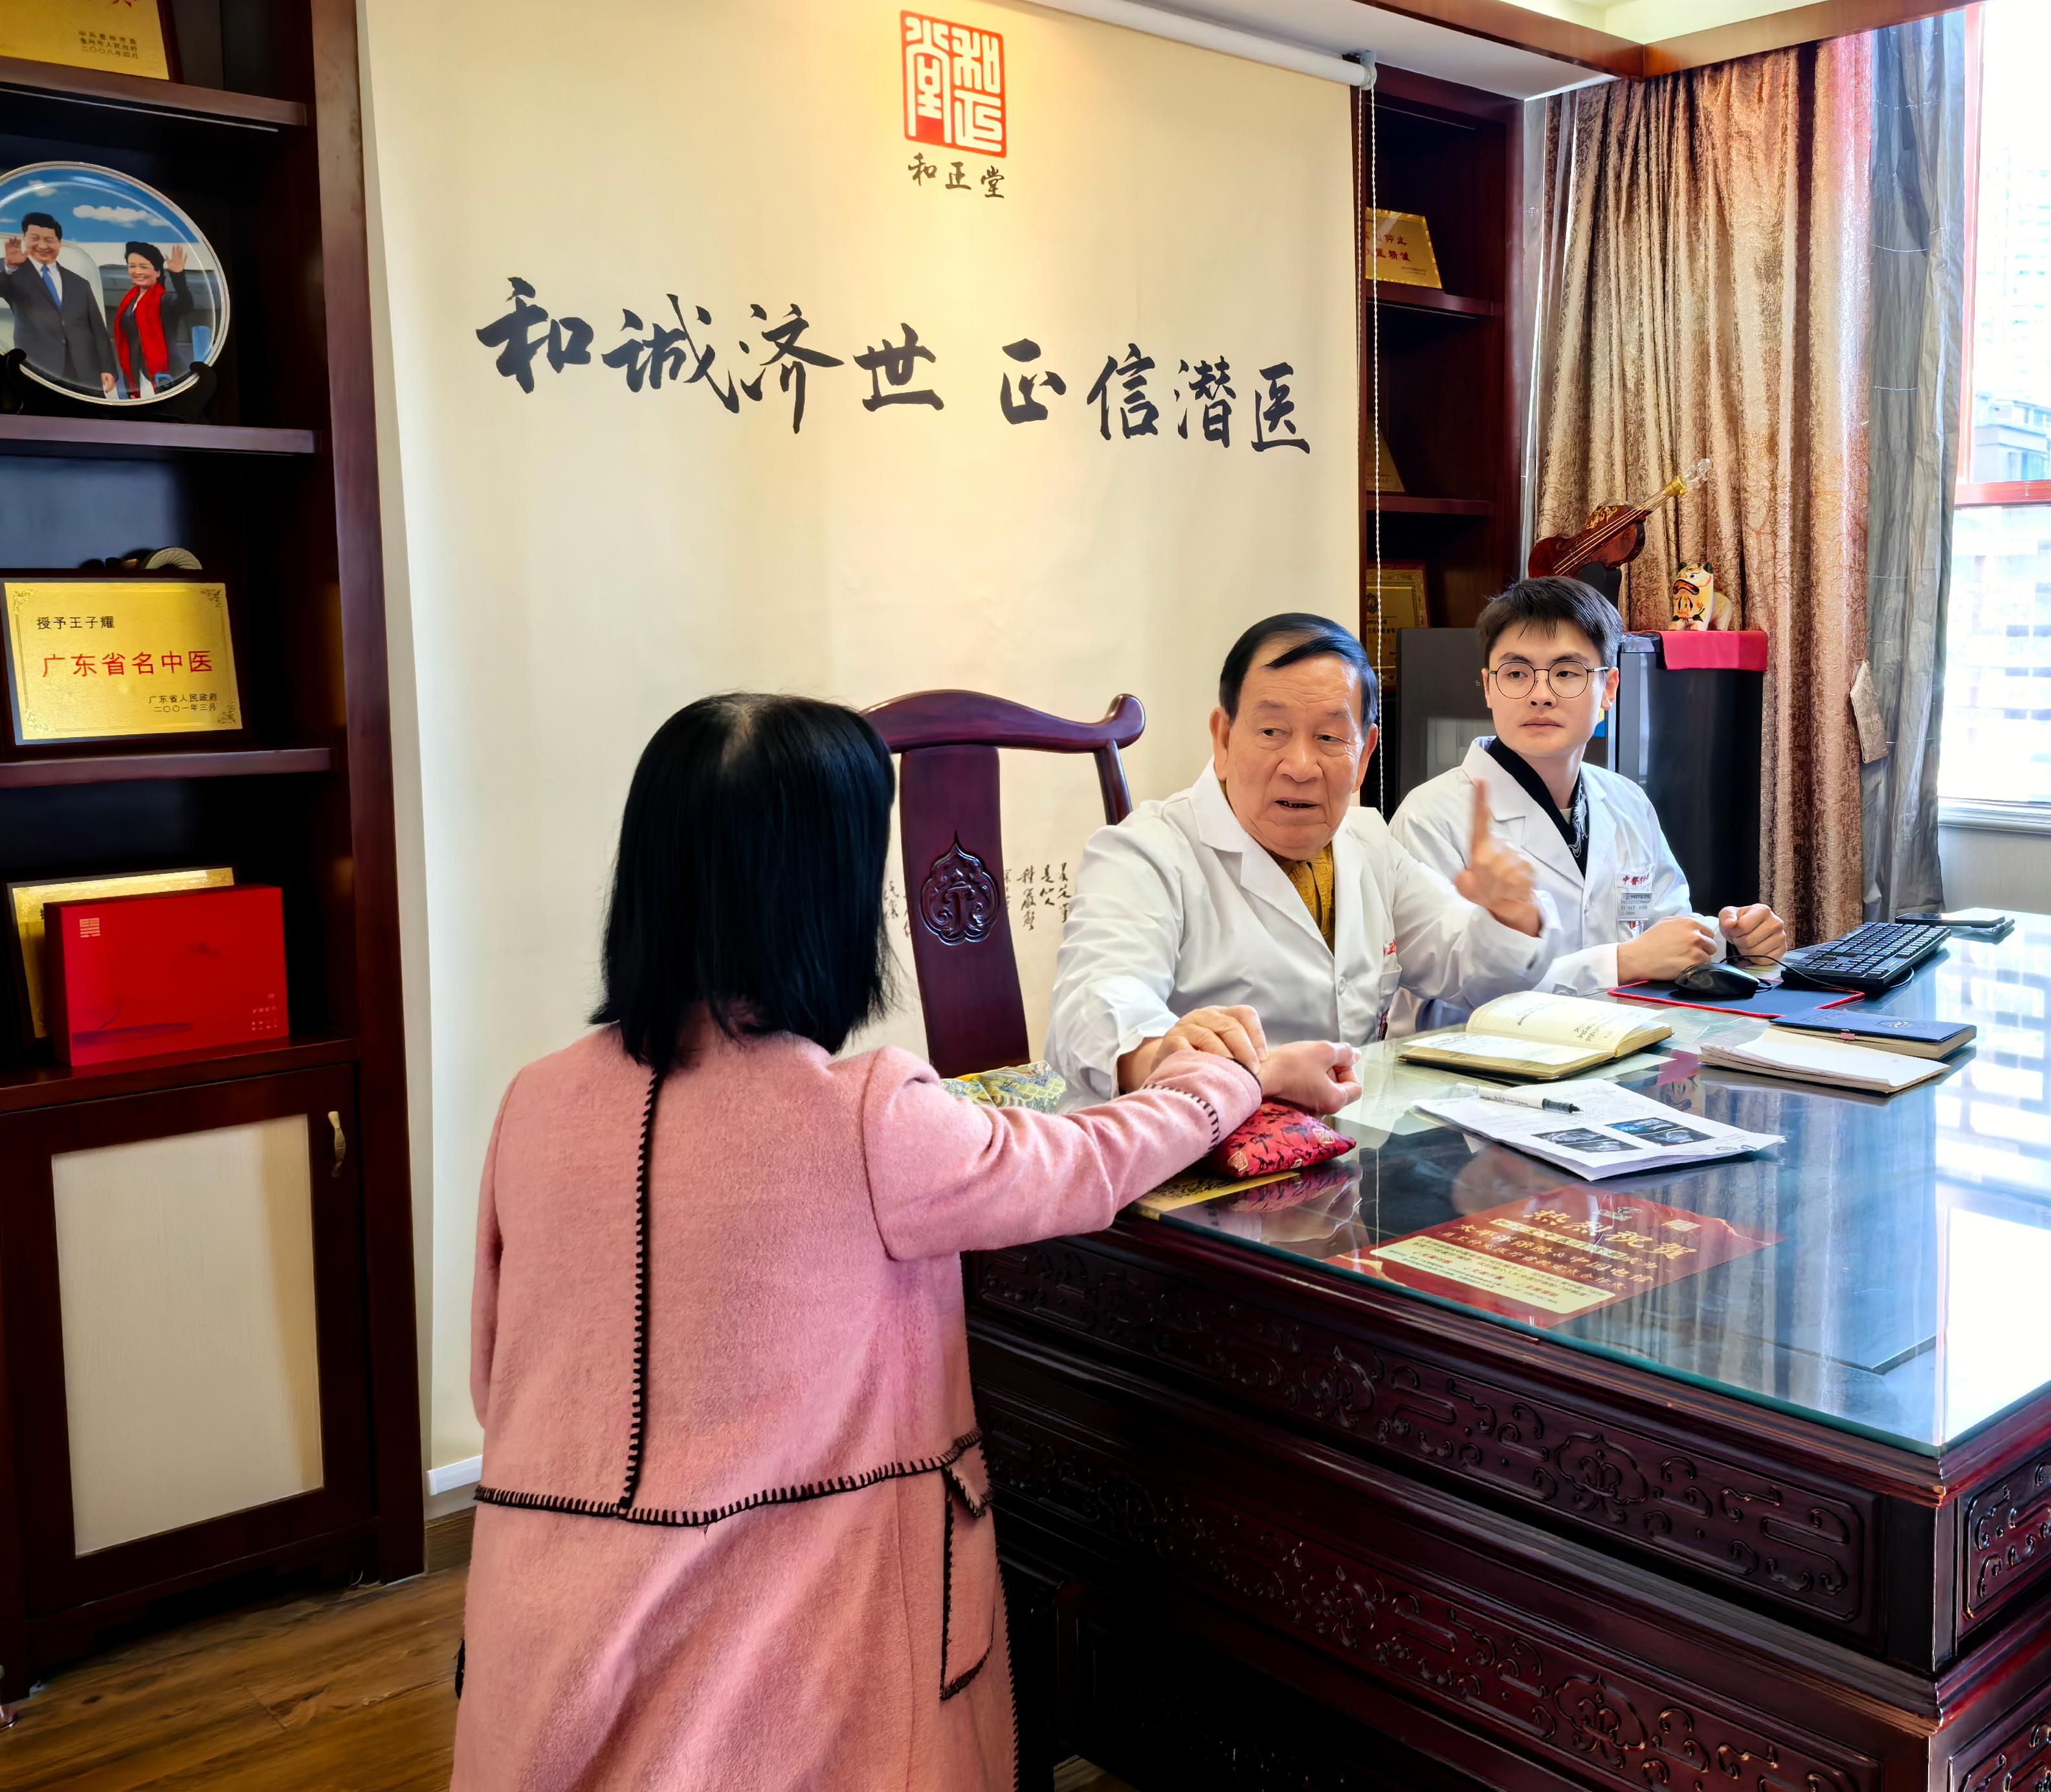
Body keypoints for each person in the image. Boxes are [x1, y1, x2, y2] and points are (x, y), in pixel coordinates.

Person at [454, 692, 1360, 1792]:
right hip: (791, 1672)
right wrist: (1228, 1077)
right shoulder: (863, 1113)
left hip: (543, 1654)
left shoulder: (534, 1101)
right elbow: (1088, 1163)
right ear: (828, 894)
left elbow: (497, 1382)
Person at [1045, 612, 1547, 1101]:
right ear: (1223, 738)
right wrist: (1163, 1055)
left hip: (1352, 1140)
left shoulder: (1370, 844)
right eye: (1272, 732)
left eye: (1329, 738)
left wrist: (1512, 915)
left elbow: (1467, 963)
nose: (1302, 766)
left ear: (1364, 755)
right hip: (1194, 1137)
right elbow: (1094, 1002)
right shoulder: (1145, 852)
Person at [1390, 577, 1790, 1029]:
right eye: (1517, 674)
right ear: (1488, 687)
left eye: (1566, 673)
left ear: (1610, 687)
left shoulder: (1625, 800)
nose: (1541, 694)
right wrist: (1620, 963)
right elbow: (1457, 988)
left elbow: (1665, 929)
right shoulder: (1430, 816)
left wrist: (1733, 937)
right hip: (1477, 1064)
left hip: (1622, 1048)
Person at [0, 212, 115, 395]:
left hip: (86, 374)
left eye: (49, 240)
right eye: (35, 238)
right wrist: (9, 267)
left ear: (59, 243)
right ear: (24, 238)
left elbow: (98, 330)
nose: (43, 245)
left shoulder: (80, 283)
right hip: (38, 371)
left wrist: (108, 368)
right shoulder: (13, 273)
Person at [109, 240, 199, 399]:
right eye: (132, 266)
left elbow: (185, 306)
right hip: (136, 374)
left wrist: (178, 276)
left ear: (157, 272)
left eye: (144, 267)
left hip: (166, 374)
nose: (137, 271)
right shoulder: (129, 301)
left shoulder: (165, 300)